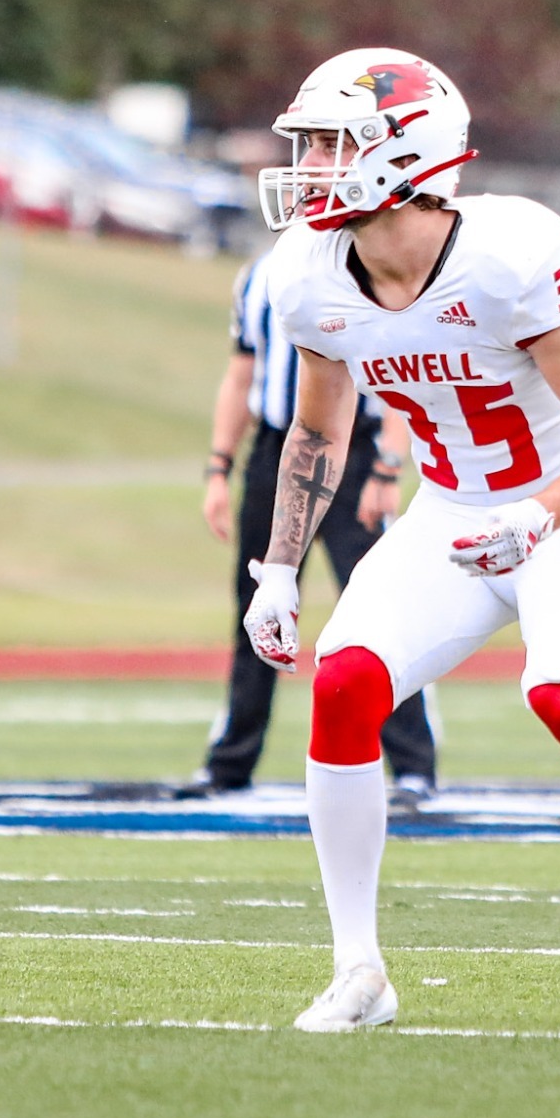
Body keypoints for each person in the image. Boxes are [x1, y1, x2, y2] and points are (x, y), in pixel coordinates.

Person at [240, 49, 560, 1032]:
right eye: (304, 144)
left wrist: (540, 514)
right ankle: (359, 970)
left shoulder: (506, 255)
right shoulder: (306, 274)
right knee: (344, 682)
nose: (307, 165)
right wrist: (274, 568)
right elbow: (316, 429)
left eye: (328, 143)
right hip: (452, 512)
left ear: (401, 155)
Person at [183, 245, 439, 804]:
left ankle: (415, 764)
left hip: (355, 449)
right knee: (257, 608)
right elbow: (240, 375)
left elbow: (399, 372)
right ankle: (230, 762)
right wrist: (218, 466)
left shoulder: (368, 263)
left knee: (380, 608)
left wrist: (388, 466)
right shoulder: (258, 277)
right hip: (276, 451)